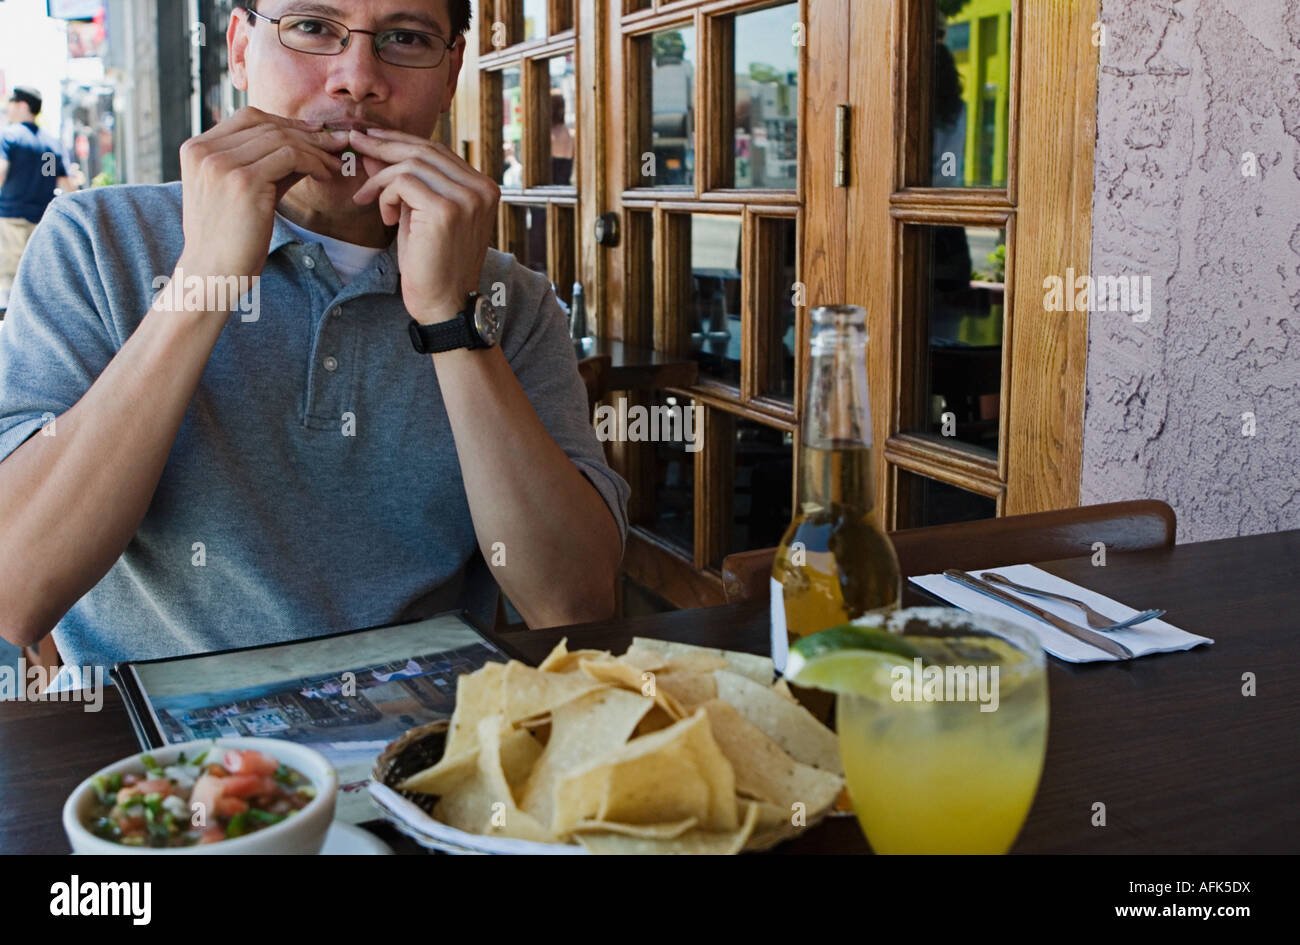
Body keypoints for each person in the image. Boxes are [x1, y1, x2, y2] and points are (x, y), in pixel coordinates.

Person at [0, 0, 628, 686]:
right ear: (241, 49)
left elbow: (575, 604)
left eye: (406, 38)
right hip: (146, 773)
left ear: (451, 76)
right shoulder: (95, 241)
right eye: (311, 27)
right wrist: (204, 281)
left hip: (418, 759)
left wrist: (451, 316)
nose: (357, 77)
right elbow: (17, 592)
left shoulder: (513, 299)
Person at [0, 86, 79, 313]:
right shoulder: (50, 144)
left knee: (8, 276)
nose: (8, 108)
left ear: (23, 105)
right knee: (39, 275)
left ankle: (11, 322)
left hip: (11, 217)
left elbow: (1, 171)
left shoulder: (9, 136)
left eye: (11, 103)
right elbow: (65, 184)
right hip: (43, 219)